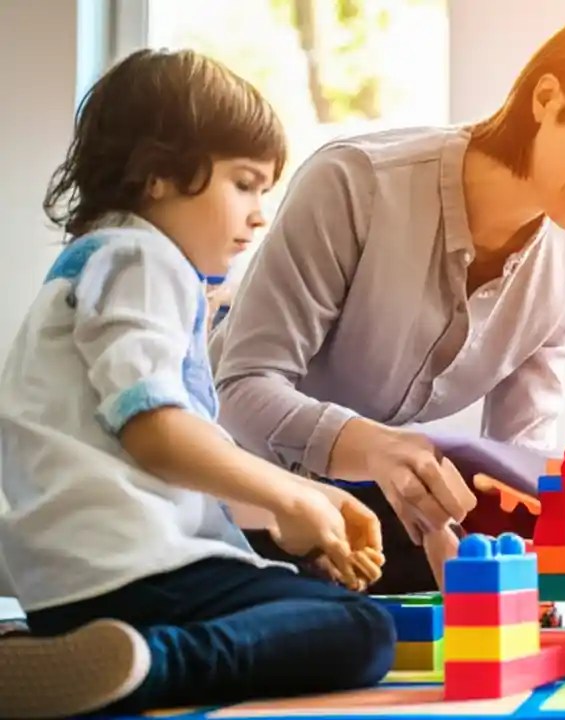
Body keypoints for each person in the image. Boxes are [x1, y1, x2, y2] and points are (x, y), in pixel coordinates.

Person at [209, 3, 565, 593]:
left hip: (374, 519)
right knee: (344, 635)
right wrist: (379, 452)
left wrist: (560, 504)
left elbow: (514, 453)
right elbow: (241, 388)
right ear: (546, 100)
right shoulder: (356, 185)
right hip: (237, 503)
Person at [0, 49, 394, 719]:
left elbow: (169, 461)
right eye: (244, 184)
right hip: (138, 567)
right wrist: (291, 496)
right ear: (157, 175)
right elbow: (154, 432)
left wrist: (301, 502)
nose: (261, 214)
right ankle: (154, 665)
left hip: (74, 581)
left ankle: (78, 651)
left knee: (308, 599)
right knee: (362, 629)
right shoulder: (144, 258)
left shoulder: (95, 263)